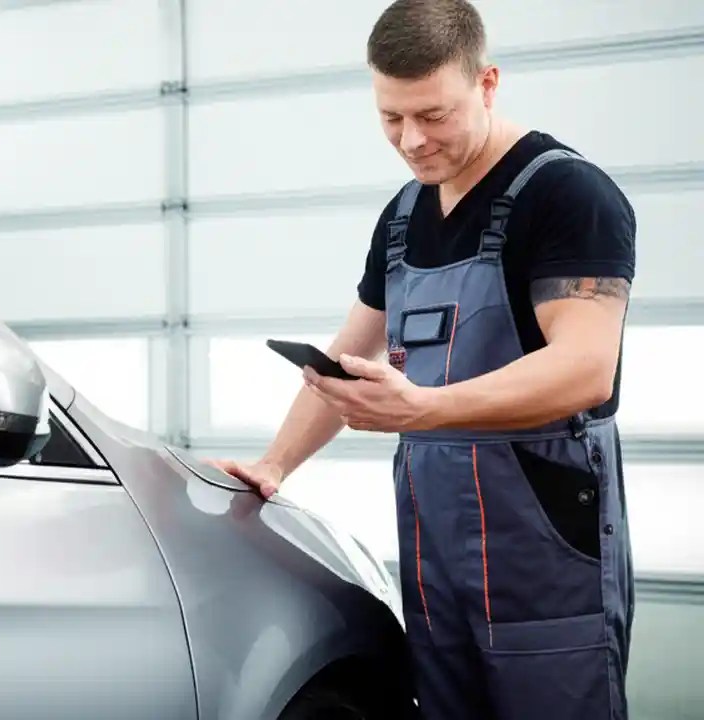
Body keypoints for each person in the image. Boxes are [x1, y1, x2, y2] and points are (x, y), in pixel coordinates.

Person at [209, 1, 636, 718]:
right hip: (436, 564)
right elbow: (346, 355)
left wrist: (426, 408)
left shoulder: (569, 195)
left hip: (544, 565)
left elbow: (585, 368)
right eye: (391, 118)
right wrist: (275, 464)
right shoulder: (404, 217)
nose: (411, 140)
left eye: (433, 115)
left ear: (488, 82)